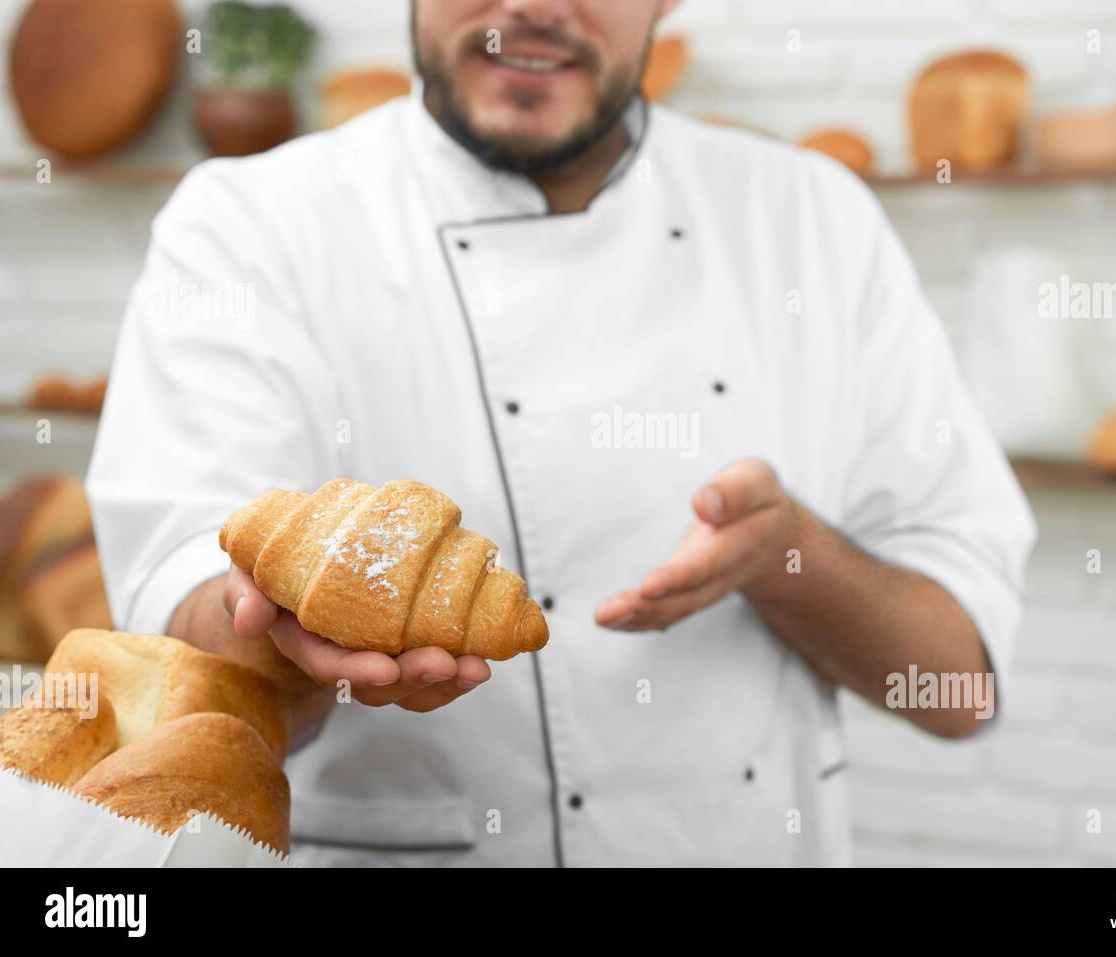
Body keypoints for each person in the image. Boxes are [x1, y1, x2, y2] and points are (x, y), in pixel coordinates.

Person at [87, 0, 1035, 866]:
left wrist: (789, 556)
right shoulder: (246, 227)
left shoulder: (813, 221)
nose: (535, 8)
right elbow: (186, 669)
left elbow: (956, 690)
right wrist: (279, 626)